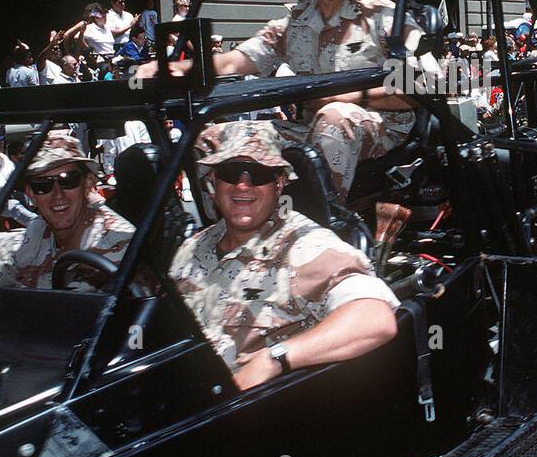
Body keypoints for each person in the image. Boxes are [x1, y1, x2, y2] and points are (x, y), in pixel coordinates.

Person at [161, 0, 421, 197]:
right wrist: (172, 68)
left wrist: (344, 98)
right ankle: (225, 233)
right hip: (310, 127)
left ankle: (322, 231)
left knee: (334, 119)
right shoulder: (294, 22)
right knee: (211, 140)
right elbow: (235, 61)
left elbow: (426, 85)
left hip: (382, 126)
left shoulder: (385, 16)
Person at [168, 121, 398, 391]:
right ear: (212, 183)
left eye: (258, 174)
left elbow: (374, 319)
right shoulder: (192, 248)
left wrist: (274, 358)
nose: (243, 186)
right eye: (231, 173)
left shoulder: (305, 247)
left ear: (279, 184)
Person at [0, 133, 135, 290]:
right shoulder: (38, 229)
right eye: (42, 184)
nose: (57, 195)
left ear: (88, 184)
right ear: (30, 193)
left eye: (68, 180)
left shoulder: (118, 243)